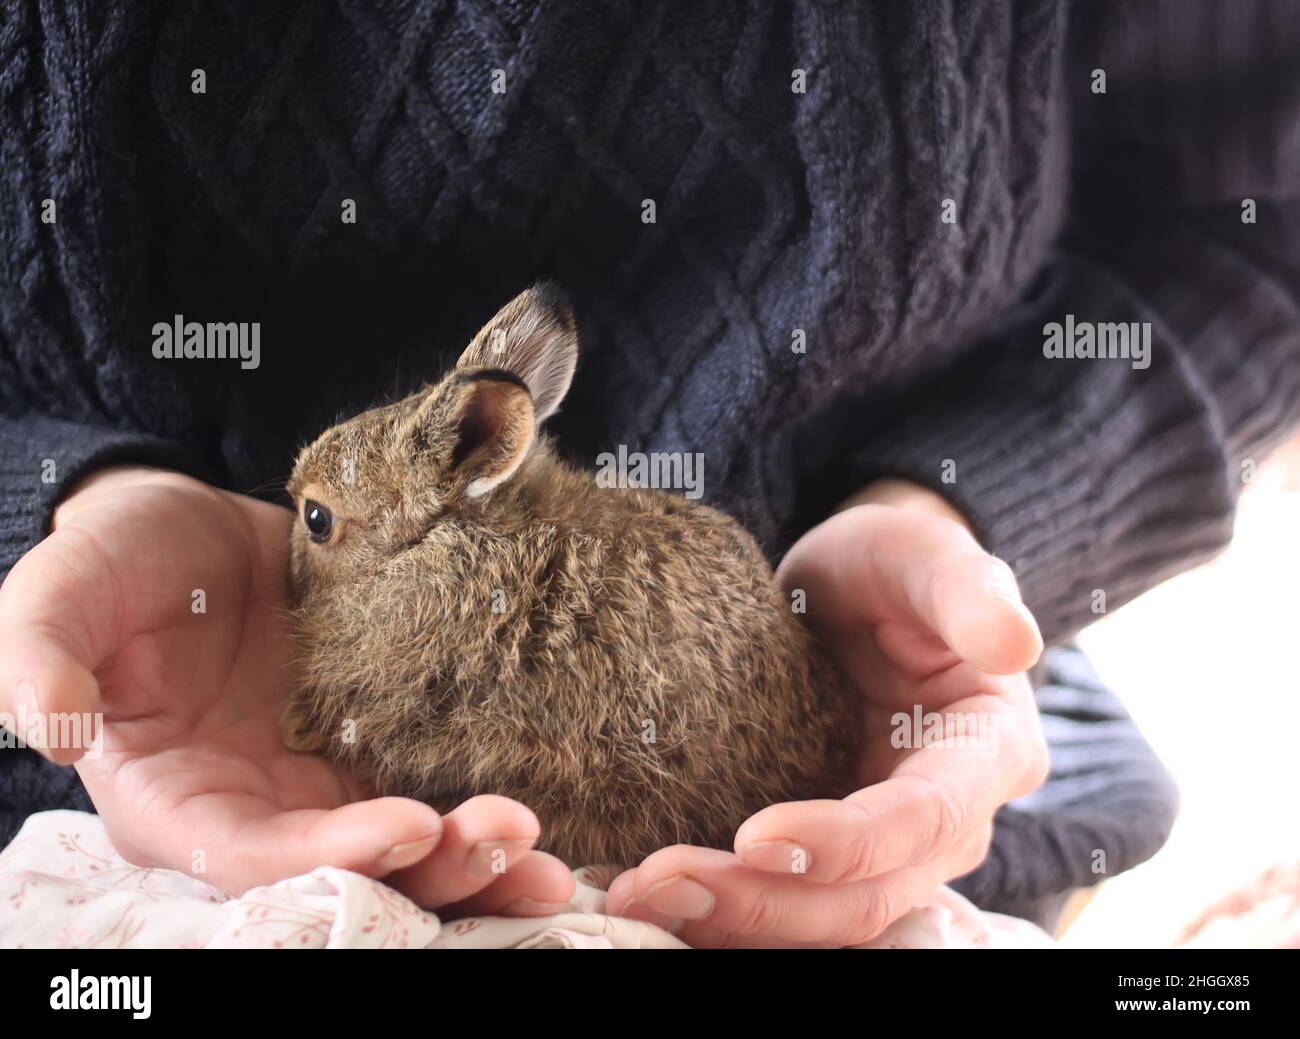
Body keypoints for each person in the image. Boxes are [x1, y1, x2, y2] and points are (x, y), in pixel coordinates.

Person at [0, 1, 1296, 945]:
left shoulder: (397, 617)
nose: (294, 552)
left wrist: (971, 503)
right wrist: (56, 497)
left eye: (319, 523)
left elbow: (1250, 223)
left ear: (484, 450)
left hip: (896, 855)